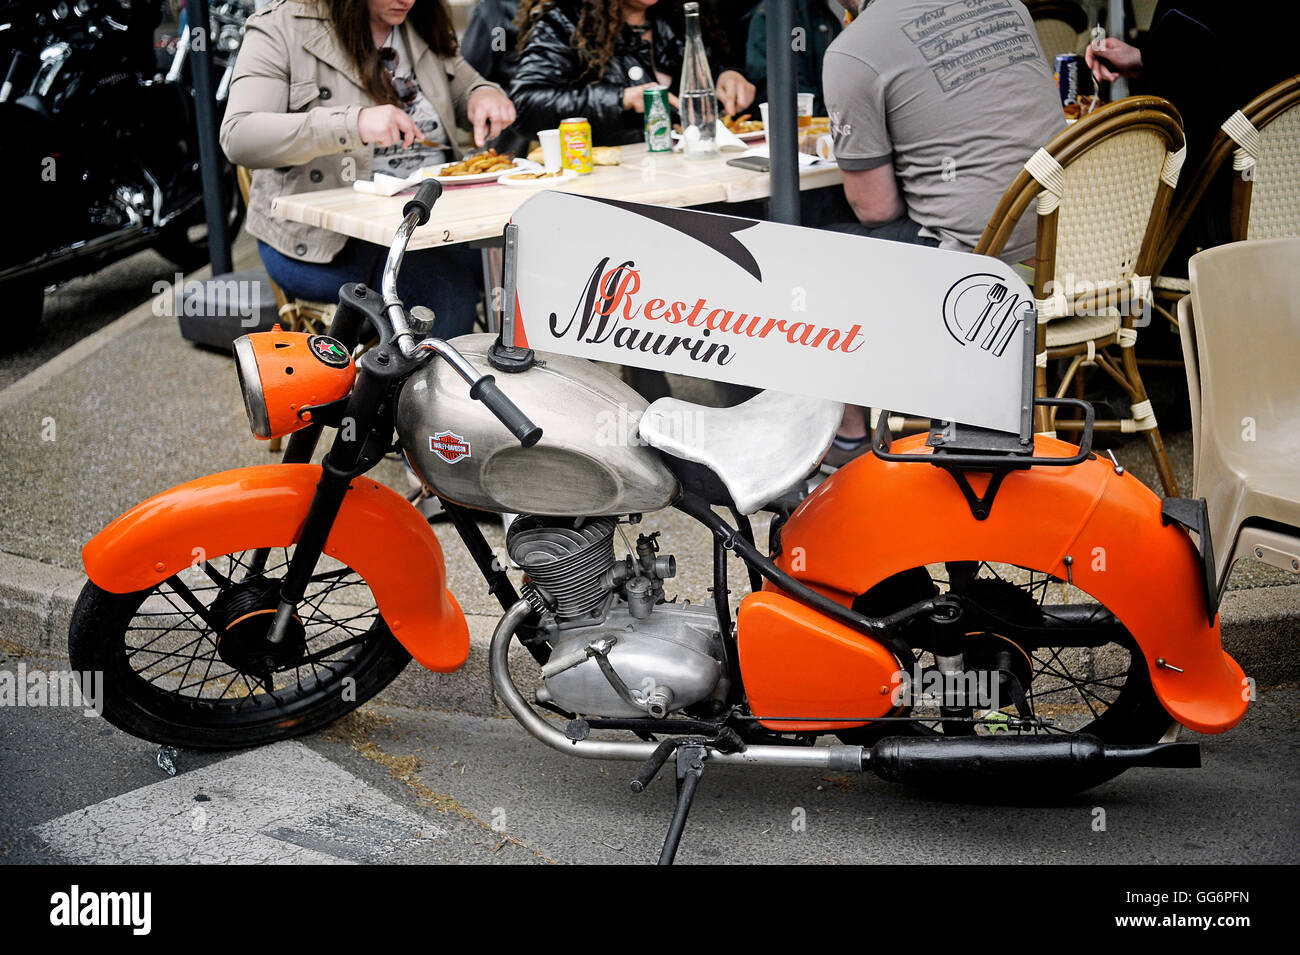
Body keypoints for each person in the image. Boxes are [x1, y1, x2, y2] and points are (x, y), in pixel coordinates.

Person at [820, 0, 1064, 464]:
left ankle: (848, 437)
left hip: (985, 275)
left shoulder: (853, 52)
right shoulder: (1008, 3)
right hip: (1072, 257)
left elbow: (876, 208)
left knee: (813, 251)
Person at [221, 0, 516, 338]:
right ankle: (424, 389)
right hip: (327, 241)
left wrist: (484, 94)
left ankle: (516, 383)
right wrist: (354, 123)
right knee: (446, 297)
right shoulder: (282, 26)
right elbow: (239, 137)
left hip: (432, 225)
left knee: (523, 268)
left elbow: (465, 84)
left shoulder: (419, 20)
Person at [510, 0, 756, 145]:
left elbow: (711, 68)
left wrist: (726, 75)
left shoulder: (679, 16)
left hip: (686, 174)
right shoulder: (563, 22)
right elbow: (527, 106)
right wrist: (621, 99)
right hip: (605, 188)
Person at [745, 0, 844, 116]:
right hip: (815, 126)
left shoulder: (828, 14)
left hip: (838, 123)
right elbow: (795, 96)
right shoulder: (781, 14)